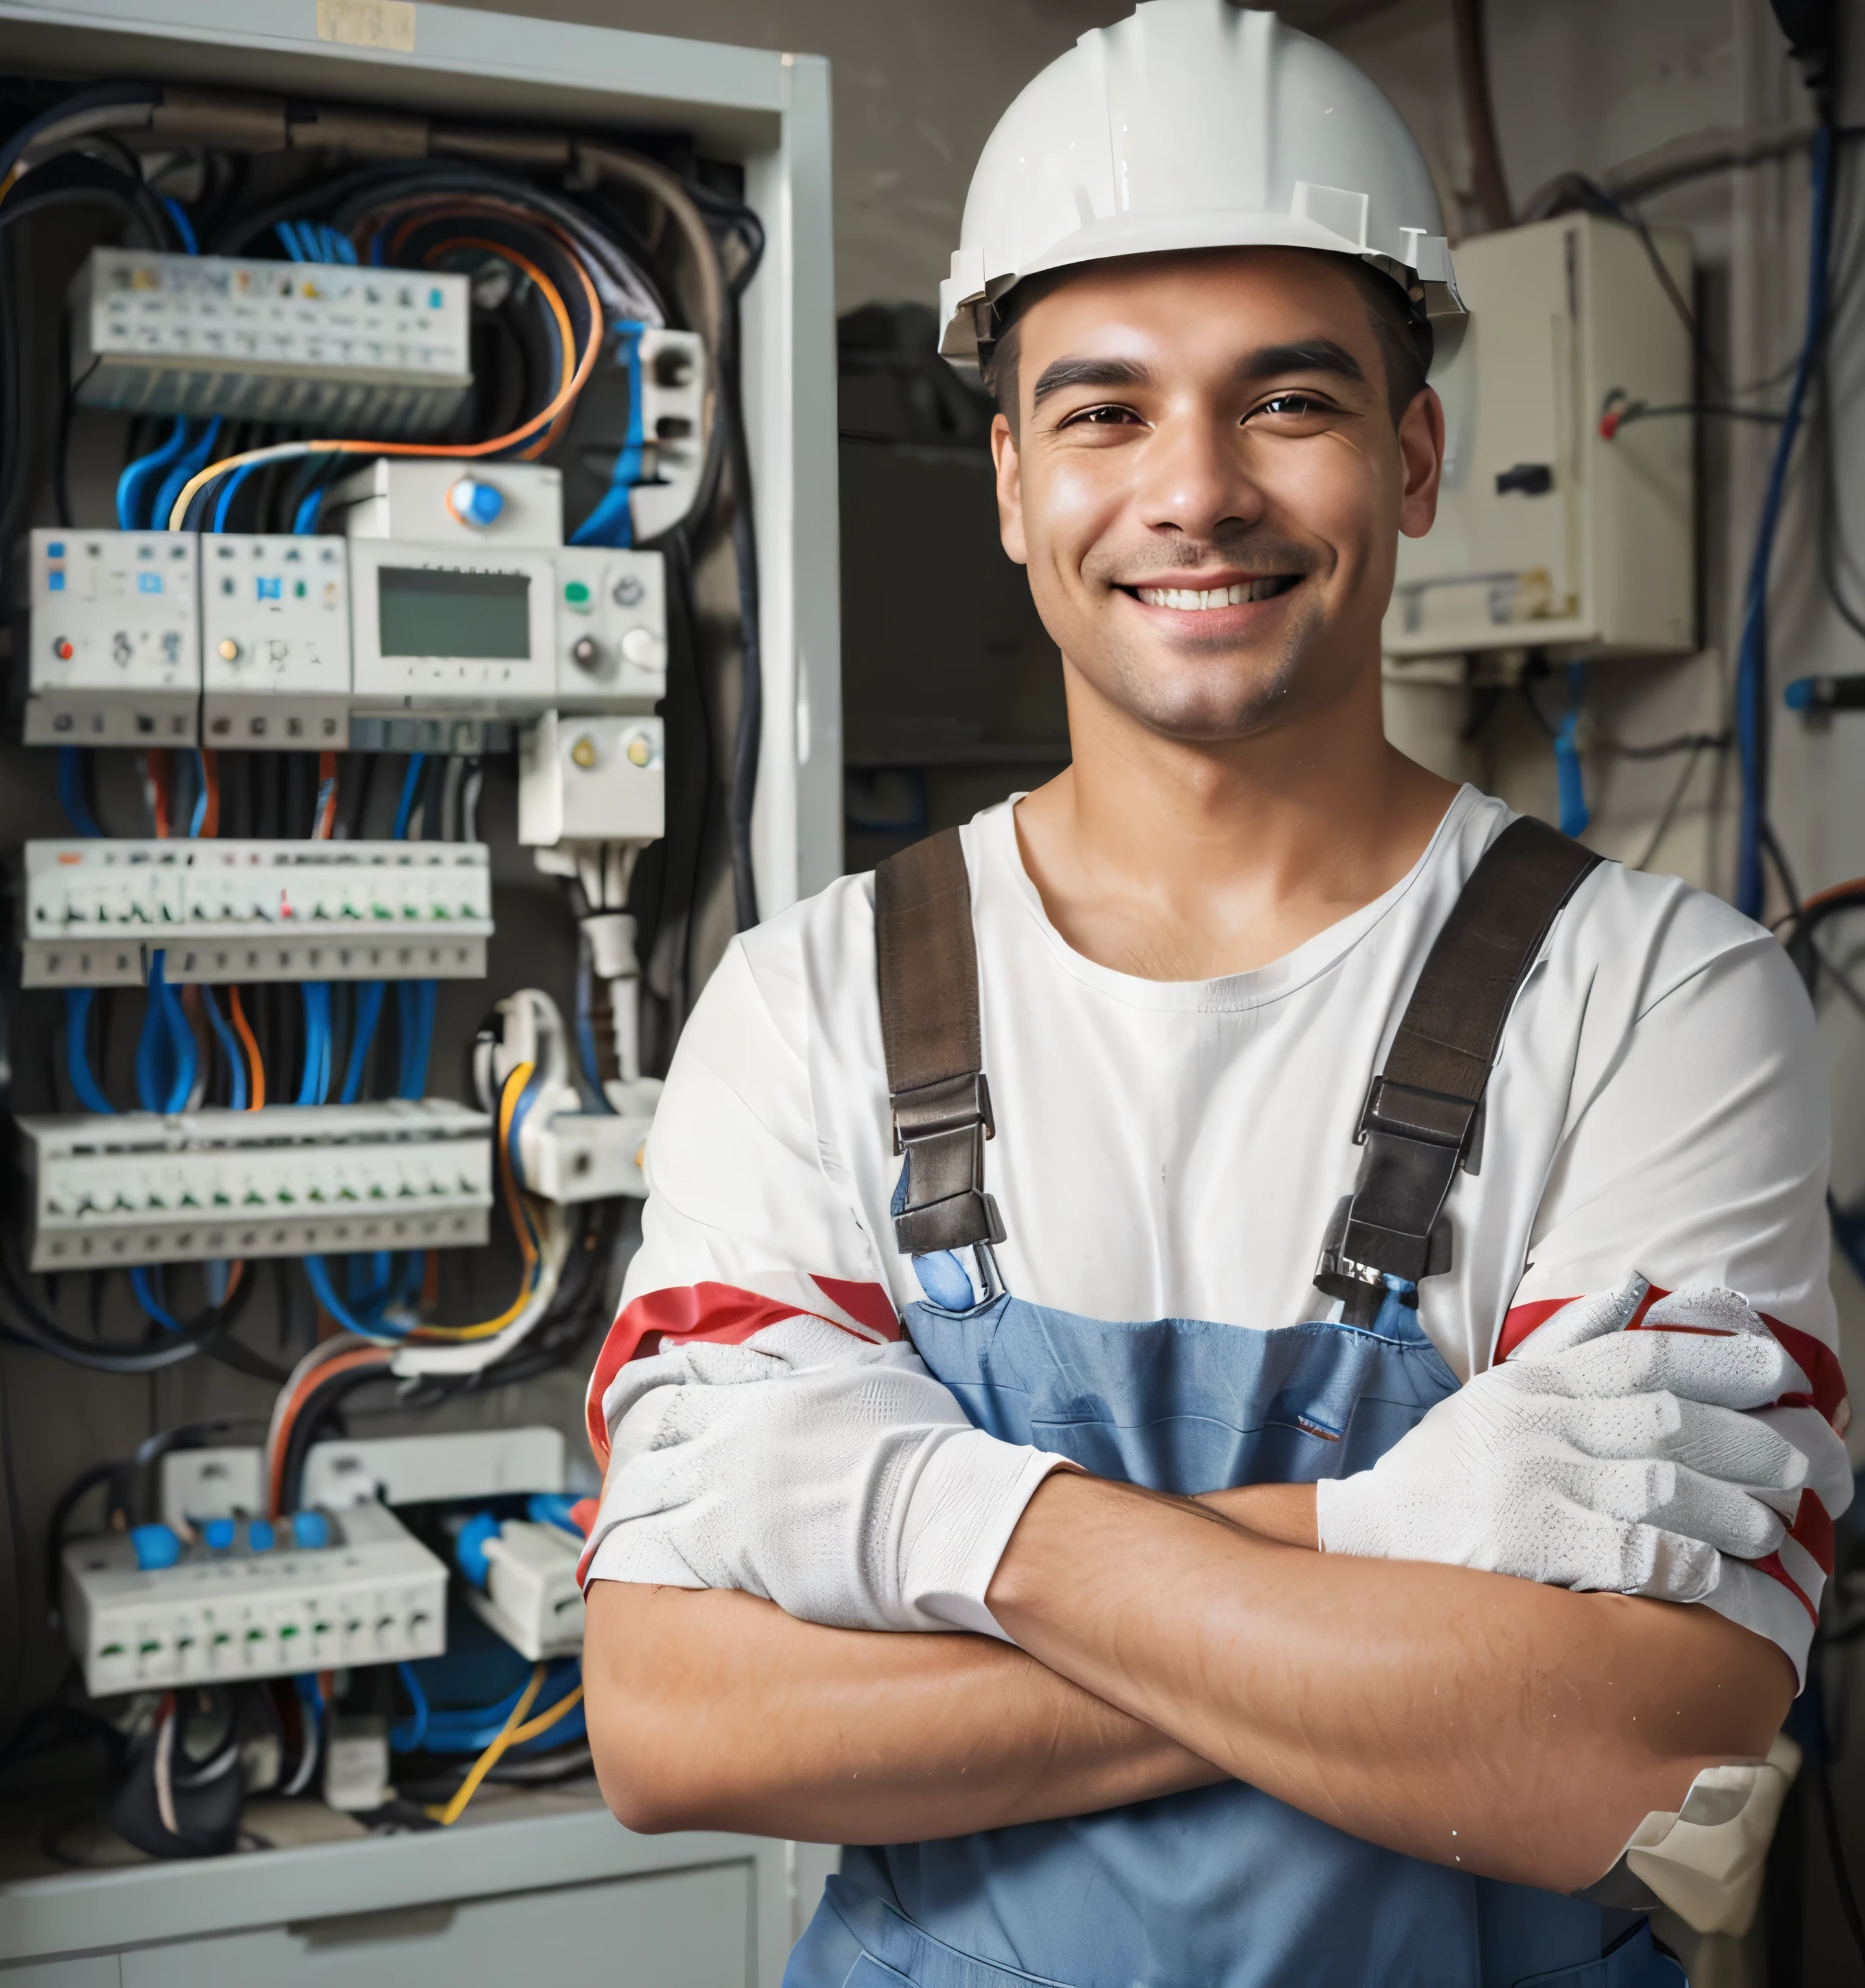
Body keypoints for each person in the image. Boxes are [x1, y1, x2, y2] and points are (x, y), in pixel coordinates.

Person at [578, 4, 1851, 1983]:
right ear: (1010, 483)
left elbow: (1622, 1755)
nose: (1196, 493)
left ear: (1413, 457)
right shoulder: (808, 1004)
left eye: (1288, 403)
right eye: (1103, 410)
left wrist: (913, 1514)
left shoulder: (1661, 1000)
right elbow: (676, 1722)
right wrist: (1391, 1555)